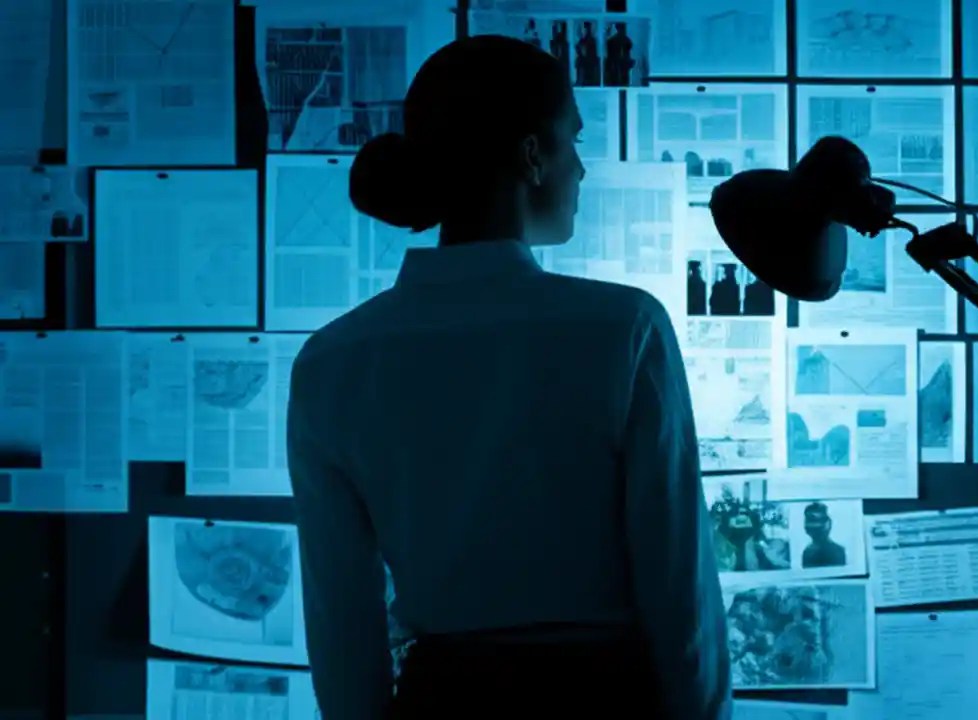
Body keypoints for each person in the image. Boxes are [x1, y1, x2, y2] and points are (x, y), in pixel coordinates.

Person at [285, 35, 731, 720]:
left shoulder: (332, 360)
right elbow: (679, 585)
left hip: (443, 700)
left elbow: (340, 615)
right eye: (572, 140)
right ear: (531, 154)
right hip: (603, 700)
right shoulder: (623, 329)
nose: (579, 169)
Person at [800, 502, 846, 568]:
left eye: (814, 520)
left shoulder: (837, 551)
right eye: (809, 520)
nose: (811, 525)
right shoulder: (807, 552)